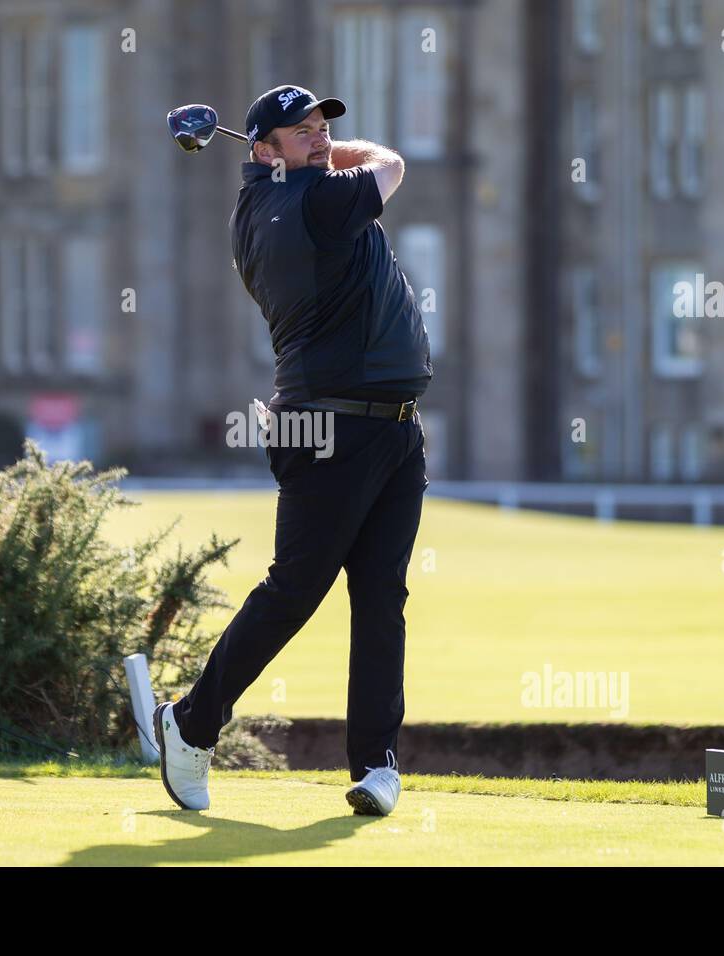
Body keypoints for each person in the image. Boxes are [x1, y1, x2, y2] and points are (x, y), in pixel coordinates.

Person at [154, 85, 432, 817]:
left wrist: (309, 154)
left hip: (391, 427)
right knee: (295, 592)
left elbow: (352, 177)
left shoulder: (268, 204)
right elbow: (394, 164)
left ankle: (375, 764)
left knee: (381, 599)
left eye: (320, 128)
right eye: (300, 132)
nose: (317, 139)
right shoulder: (306, 204)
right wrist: (330, 158)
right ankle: (189, 724)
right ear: (262, 151)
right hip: (332, 429)